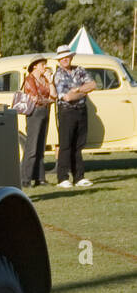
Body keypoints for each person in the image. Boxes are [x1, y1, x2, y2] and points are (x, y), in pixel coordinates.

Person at [52, 45, 95, 188]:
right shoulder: (58, 75)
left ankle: (79, 177)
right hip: (67, 112)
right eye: (62, 58)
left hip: (81, 110)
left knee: (79, 144)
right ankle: (62, 178)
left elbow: (93, 84)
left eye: (67, 56)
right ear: (59, 60)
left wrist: (78, 89)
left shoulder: (79, 70)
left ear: (71, 57)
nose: (65, 59)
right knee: (65, 144)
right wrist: (83, 91)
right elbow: (67, 97)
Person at [19, 57, 55, 187]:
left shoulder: (44, 79)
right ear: (35, 66)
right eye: (42, 65)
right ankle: (26, 178)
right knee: (32, 147)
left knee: (40, 145)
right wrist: (48, 100)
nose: (44, 67)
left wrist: (50, 82)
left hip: (44, 111)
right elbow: (35, 98)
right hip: (34, 113)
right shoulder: (29, 79)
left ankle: (40, 177)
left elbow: (54, 96)